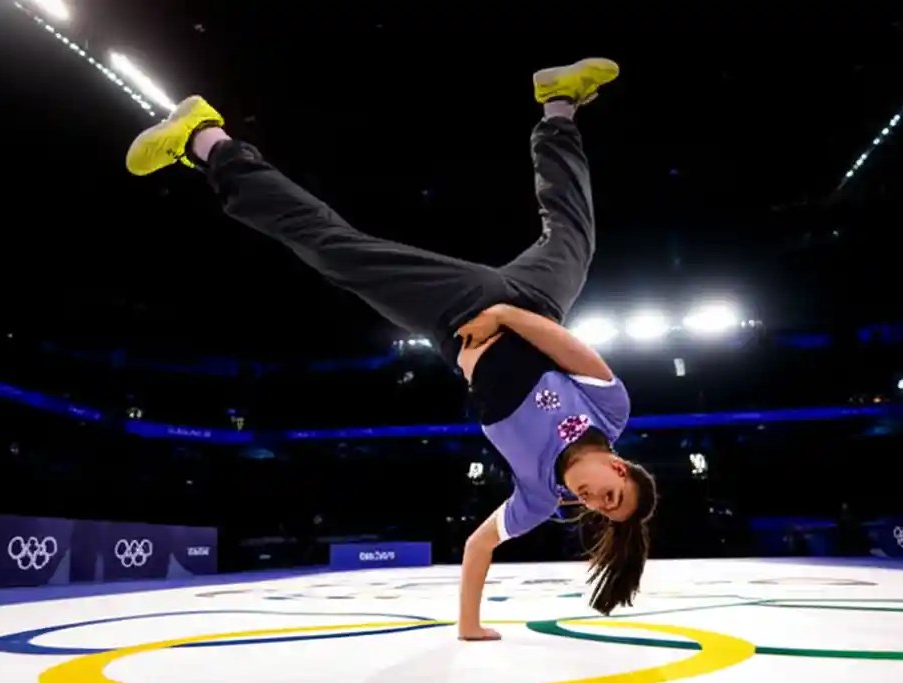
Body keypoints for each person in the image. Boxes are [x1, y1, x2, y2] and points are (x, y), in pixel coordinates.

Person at [125, 57, 657, 640]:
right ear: (618, 465)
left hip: (456, 320)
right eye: (611, 493)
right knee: (575, 240)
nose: (595, 501)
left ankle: (208, 142)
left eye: (602, 510)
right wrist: (504, 314)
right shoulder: (612, 412)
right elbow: (567, 345)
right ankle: (560, 106)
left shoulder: (538, 497)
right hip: (503, 307)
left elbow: (479, 545)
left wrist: (469, 626)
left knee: (337, 251)